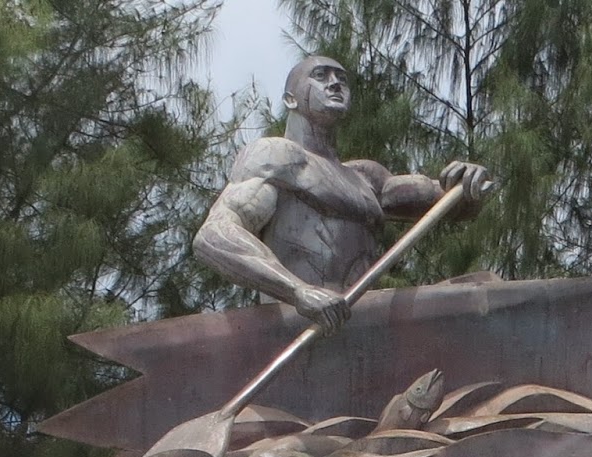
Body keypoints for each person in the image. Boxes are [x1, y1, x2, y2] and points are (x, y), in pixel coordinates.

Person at [193, 56, 492, 331]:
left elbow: (453, 204)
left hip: (361, 325)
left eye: (342, 78)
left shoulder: (366, 178)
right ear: (290, 99)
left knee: (480, 291)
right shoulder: (275, 155)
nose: (335, 83)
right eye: (320, 76)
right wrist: (297, 291)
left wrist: (468, 182)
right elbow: (215, 236)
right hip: (299, 327)